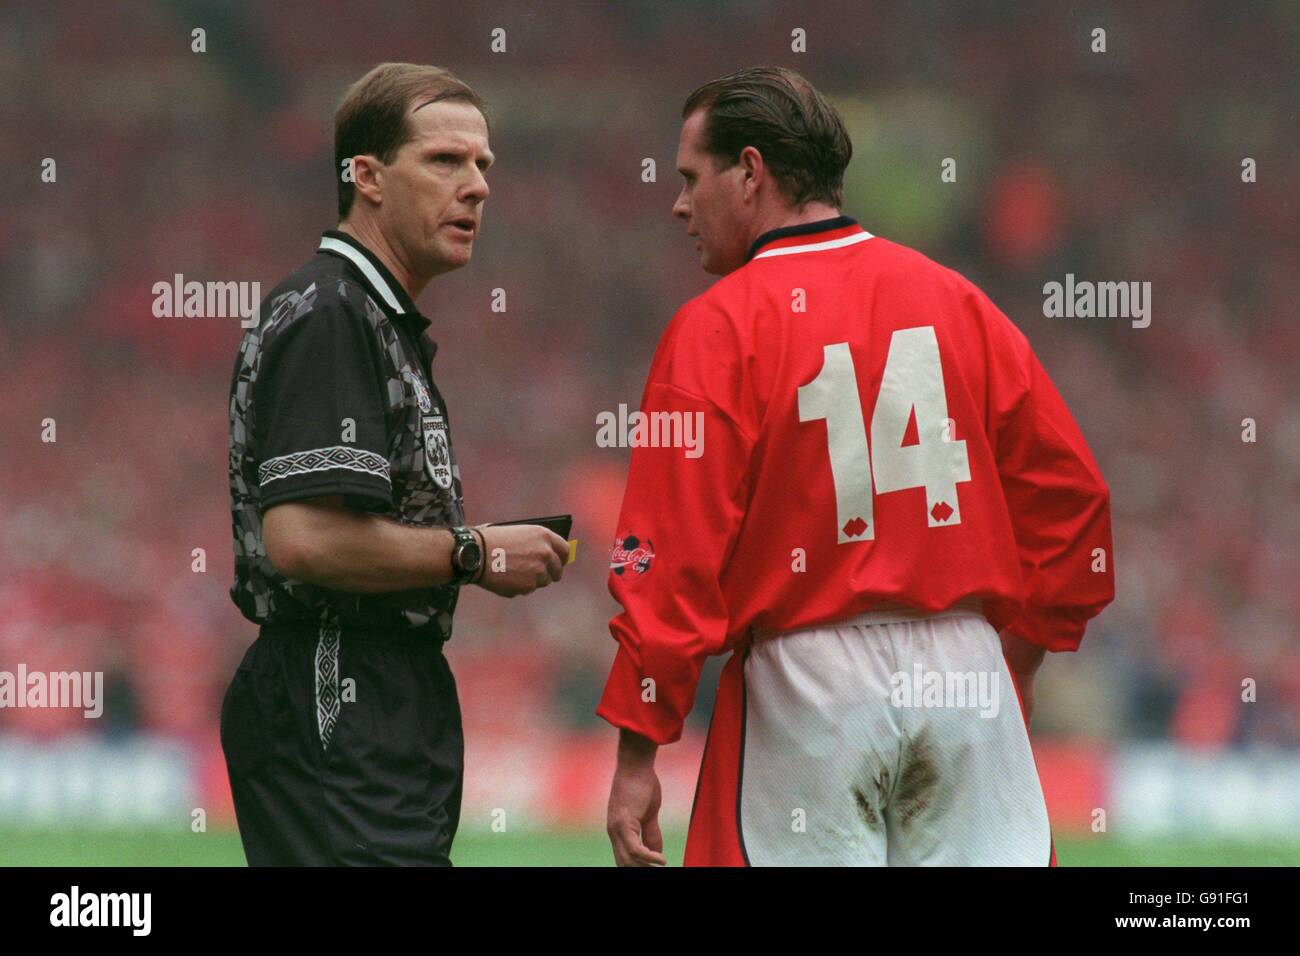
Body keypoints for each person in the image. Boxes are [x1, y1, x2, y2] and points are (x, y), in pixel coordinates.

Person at [598, 67, 1114, 866]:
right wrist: (1022, 651)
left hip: (809, 686)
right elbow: (1075, 499)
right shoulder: (957, 300)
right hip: (966, 671)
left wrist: (640, 744)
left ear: (750, 171)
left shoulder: (715, 330)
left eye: (689, 178)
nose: (678, 204)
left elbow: (671, 557)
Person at [222, 62, 569, 866]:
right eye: (445, 161)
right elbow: (303, 538)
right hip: (336, 678)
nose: (477, 185)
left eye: (483, 164)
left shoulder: (372, 314)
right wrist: (476, 552)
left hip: (376, 686)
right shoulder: (335, 311)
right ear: (367, 177)